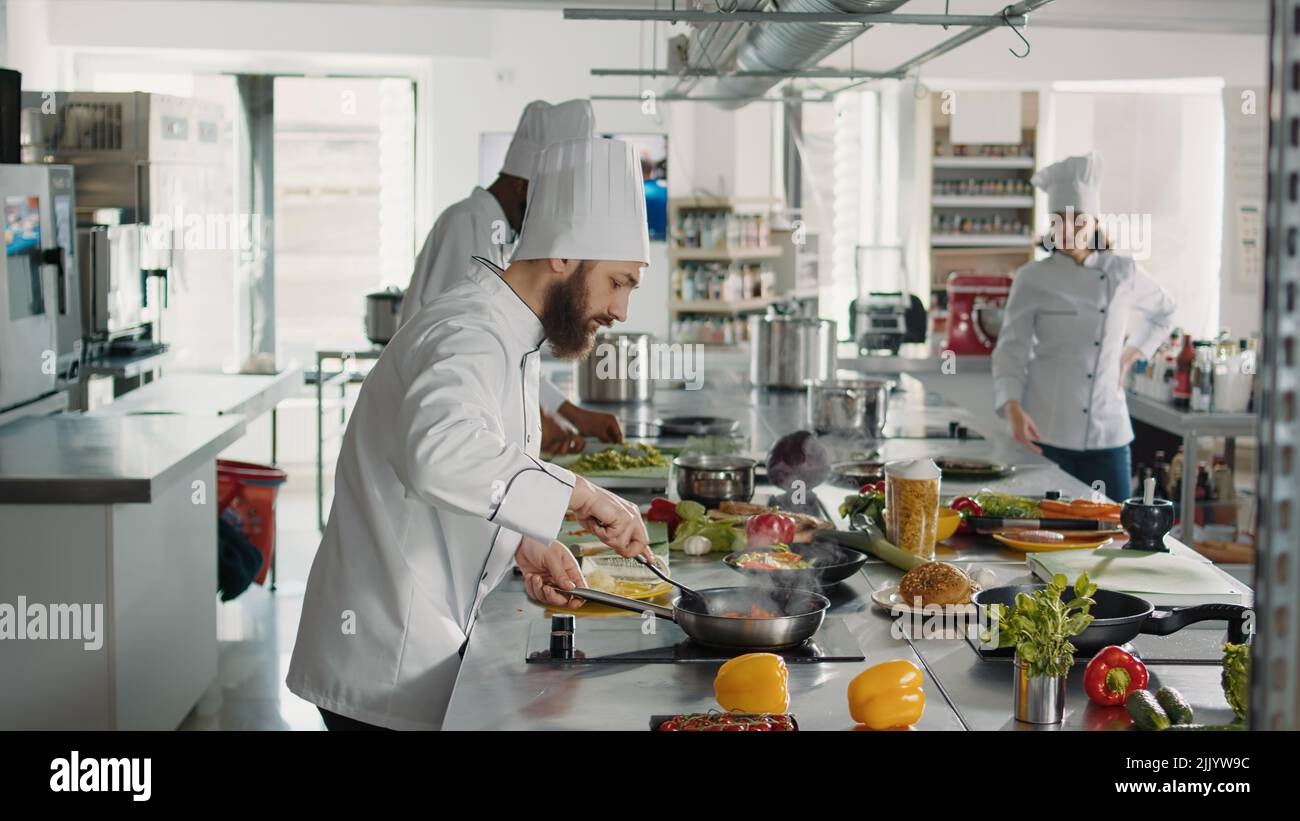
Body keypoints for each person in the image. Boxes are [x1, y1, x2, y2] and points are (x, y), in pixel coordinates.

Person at [288, 137, 653, 731]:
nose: (622, 310)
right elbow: (438, 454)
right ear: (562, 255)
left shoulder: (509, 335)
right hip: (387, 655)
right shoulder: (469, 332)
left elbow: (473, 469)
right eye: (619, 282)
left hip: (417, 638)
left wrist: (520, 544)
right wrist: (579, 494)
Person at [398, 98, 621, 454]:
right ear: (522, 186)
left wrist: (567, 412)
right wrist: (537, 417)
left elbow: (510, 351)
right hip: (424, 449)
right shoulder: (468, 223)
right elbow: (462, 348)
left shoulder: (500, 234)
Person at [992, 151, 1177, 502]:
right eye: (1059, 220)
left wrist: (1131, 355)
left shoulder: (1123, 272)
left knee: (1115, 534)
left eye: (1078, 221)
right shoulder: (1032, 278)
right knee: (1044, 533)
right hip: (1045, 433)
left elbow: (1165, 310)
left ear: (1094, 223)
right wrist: (1013, 408)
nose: (1069, 230)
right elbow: (1011, 351)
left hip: (1109, 435)